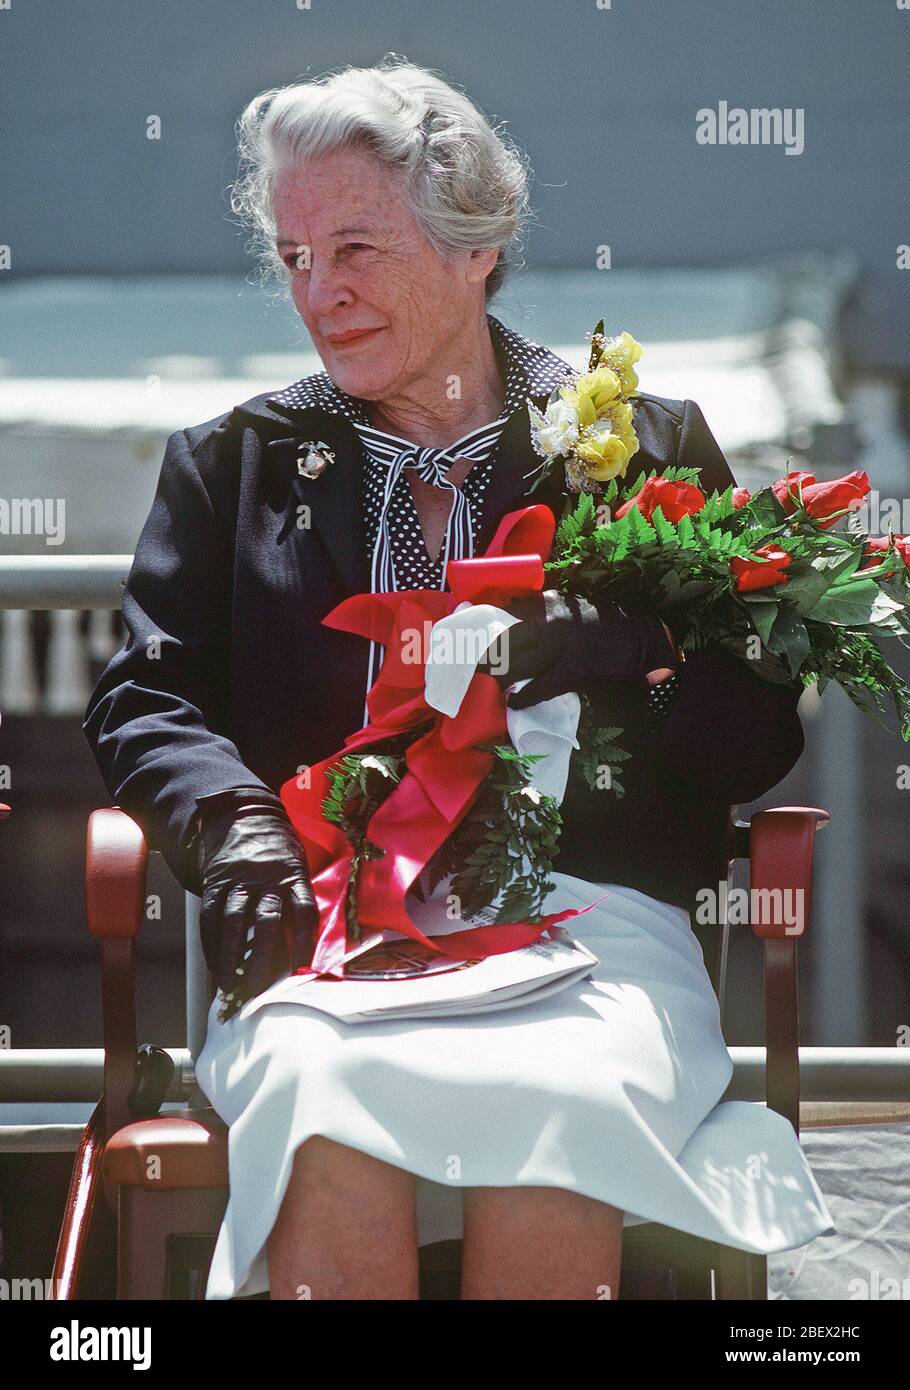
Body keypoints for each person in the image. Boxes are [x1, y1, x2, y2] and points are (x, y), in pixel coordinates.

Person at [83, 56, 835, 1300]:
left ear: (474, 245)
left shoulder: (639, 448)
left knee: (556, 1095)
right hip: (329, 926)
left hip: (593, 927)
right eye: (292, 256)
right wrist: (239, 837)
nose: (318, 293)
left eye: (357, 249)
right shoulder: (234, 465)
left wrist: (627, 655)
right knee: (325, 1104)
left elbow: (748, 737)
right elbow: (146, 695)